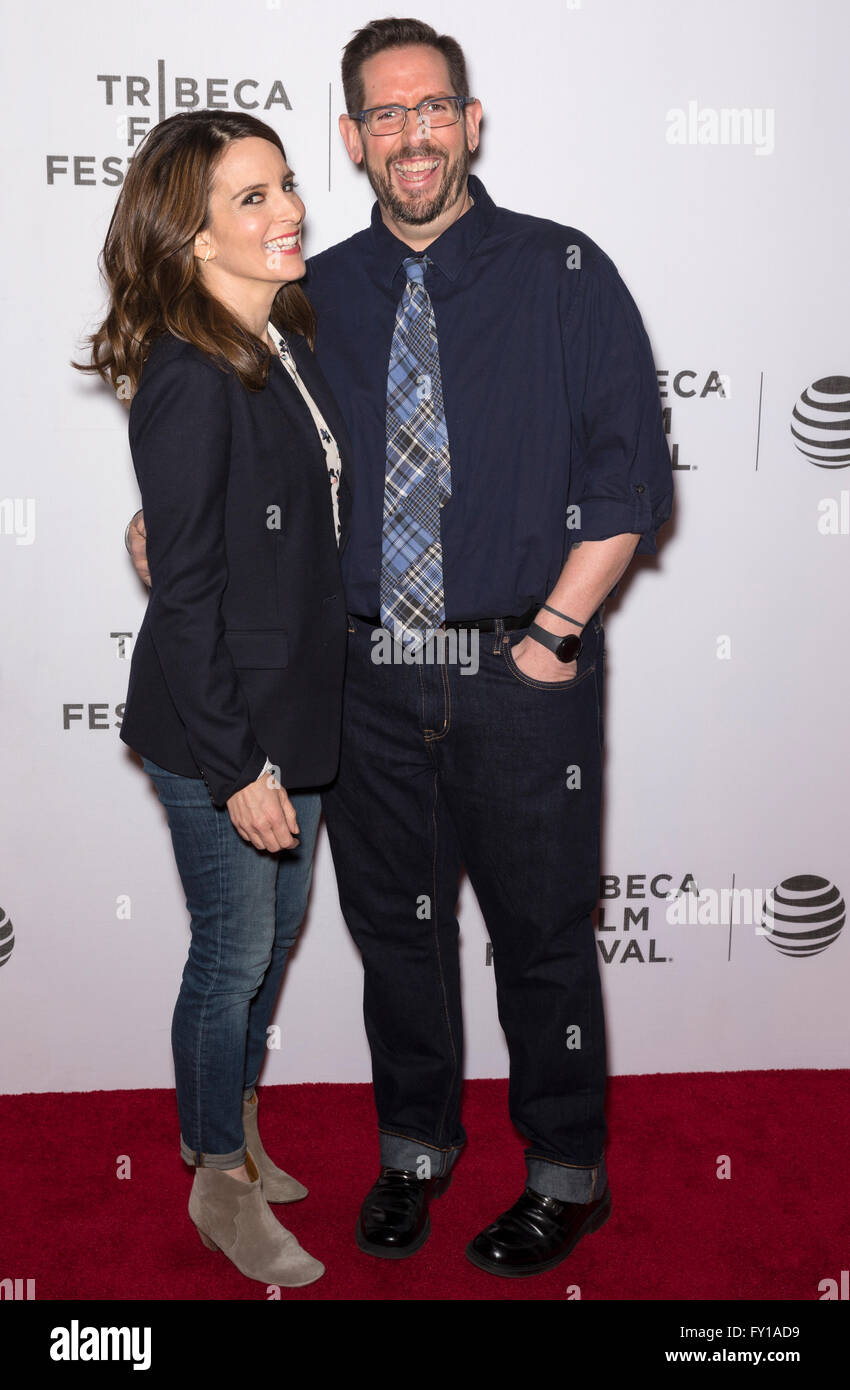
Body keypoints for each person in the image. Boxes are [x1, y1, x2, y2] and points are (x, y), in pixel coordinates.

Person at [129, 16, 674, 1279]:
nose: (411, 133)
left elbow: (630, 477)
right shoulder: (315, 289)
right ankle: (416, 1148)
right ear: (354, 139)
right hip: (360, 677)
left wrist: (549, 635)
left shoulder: (566, 272)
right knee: (396, 931)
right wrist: (154, 515)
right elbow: (241, 448)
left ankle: (563, 1176)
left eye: (432, 108)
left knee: (539, 938)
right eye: (384, 114)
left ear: (470, 123)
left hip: (517, 670)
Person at [82, 108, 351, 1288]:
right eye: (250, 197)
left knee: (275, 939)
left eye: (284, 184)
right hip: (218, 729)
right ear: (190, 236)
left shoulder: (280, 335)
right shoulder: (190, 380)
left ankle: (236, 1126)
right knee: (233, 952)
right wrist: (241, 766)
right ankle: (213, 1176)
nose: (285, 208)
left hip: (298, 709)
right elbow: (186, 600)